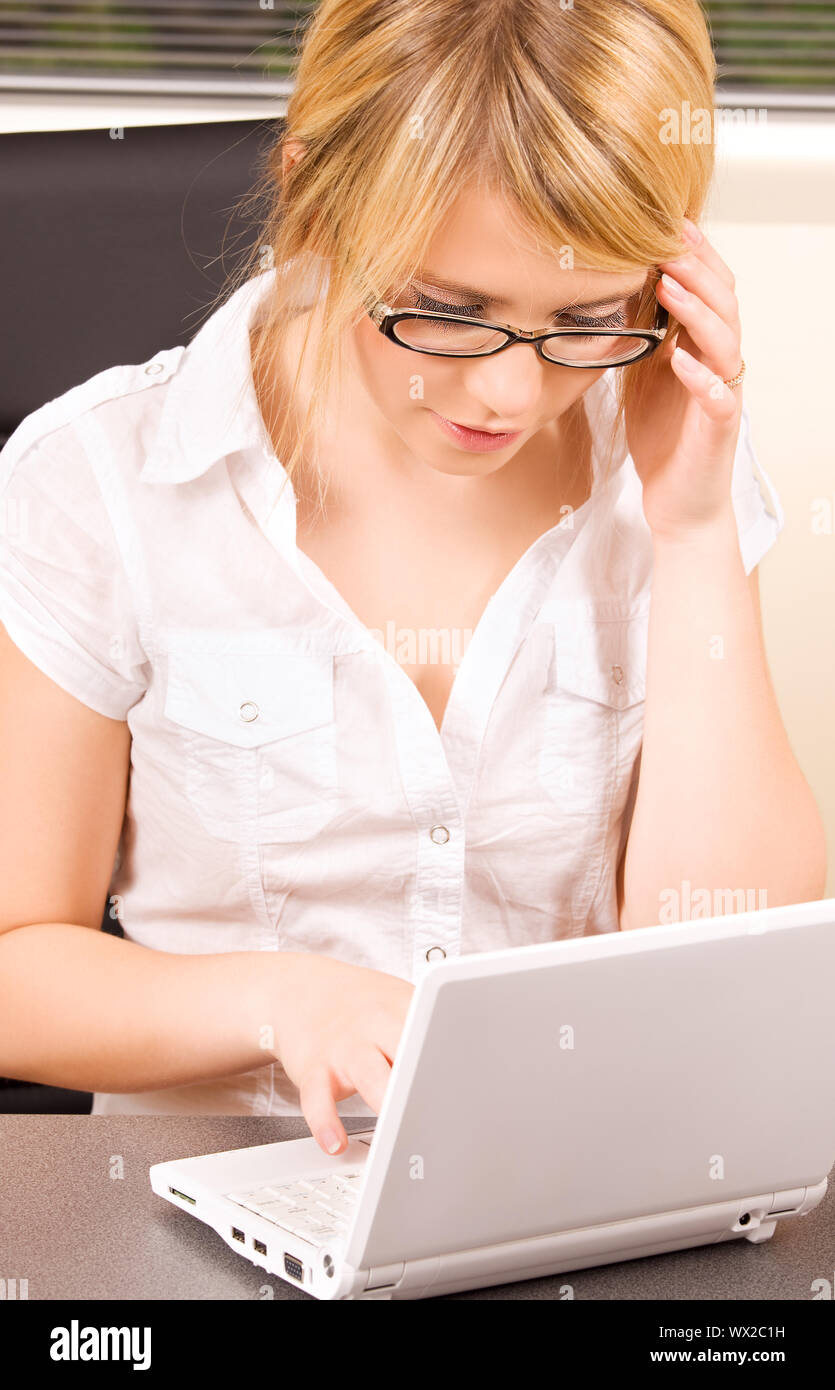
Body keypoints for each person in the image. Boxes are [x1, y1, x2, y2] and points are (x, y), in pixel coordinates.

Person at [0, 0, 825, 1152]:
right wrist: (279, 997)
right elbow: (13, 968)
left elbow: (738, 973)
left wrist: (691, 534)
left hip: (572, 1190)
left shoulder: (667, 463)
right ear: (313, 202)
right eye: (448, 313)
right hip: (209, 1206)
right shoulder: (103, 481)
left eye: (583, 317)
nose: (510, 396)